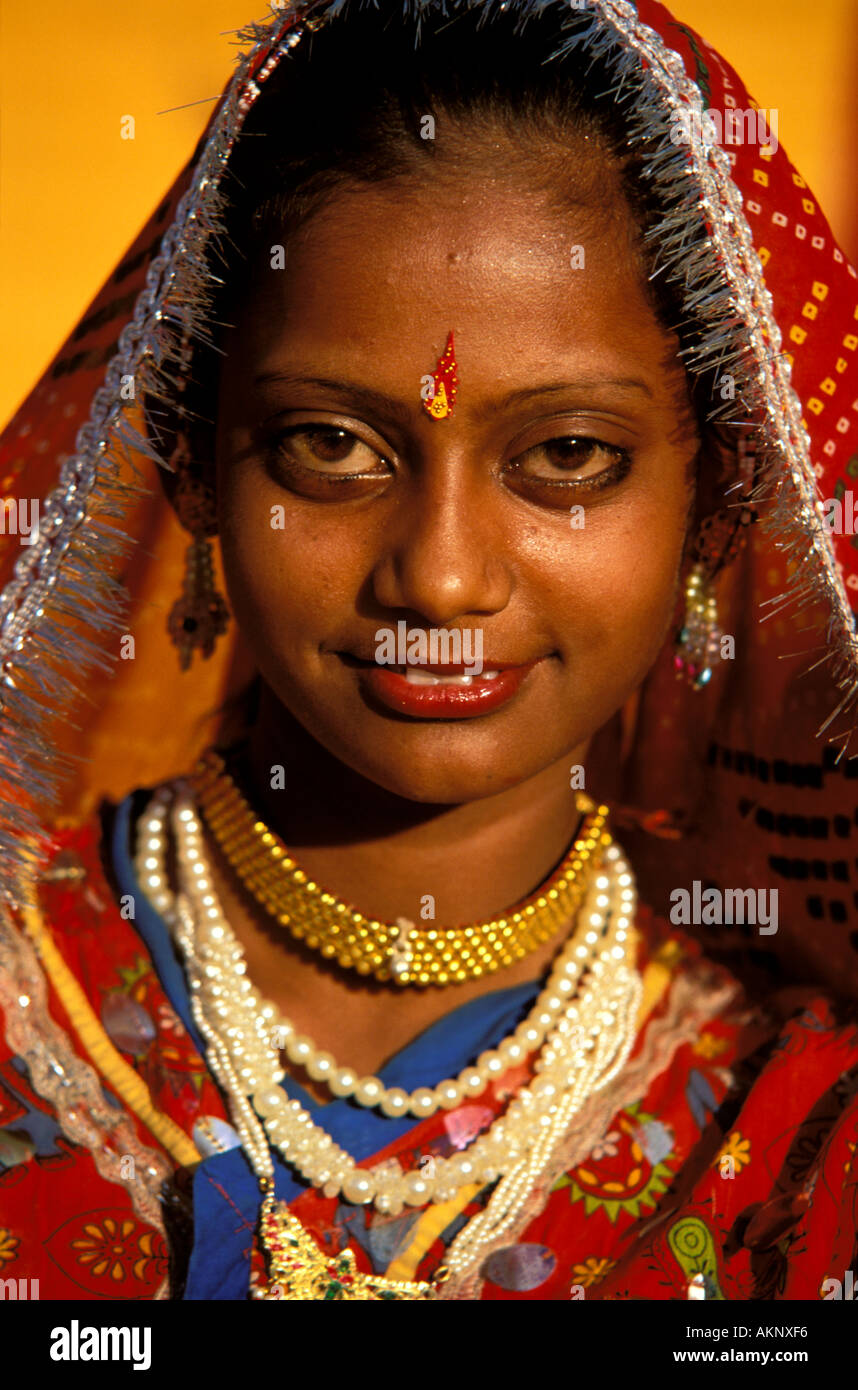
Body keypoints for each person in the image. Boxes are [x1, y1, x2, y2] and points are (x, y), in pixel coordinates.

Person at [0, 0, 856, 1303]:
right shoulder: (25, 1012)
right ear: (190, 462)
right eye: (332, 445)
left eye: (566, 455)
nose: (440, 571)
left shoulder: (788, 1141)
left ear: (718, 500)